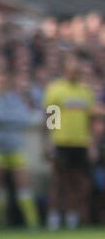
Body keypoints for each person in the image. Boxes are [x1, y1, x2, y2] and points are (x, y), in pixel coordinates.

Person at [43, 55, 102, 229]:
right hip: (61, 141)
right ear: (66, 70)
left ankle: (72, 216)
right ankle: (54, 216)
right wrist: (50, 139)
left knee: (78, 182)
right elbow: (51, 115)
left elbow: (91, 120)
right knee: (58, 180)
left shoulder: (85, 91)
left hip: (81, 142)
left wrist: (92, 144)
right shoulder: (56, 89)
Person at [0, 69, 39, 228]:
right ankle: (0, 221)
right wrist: (8, 120)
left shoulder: (16, 99)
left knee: (22, 183)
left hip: (16, 146)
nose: (1, 85)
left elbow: (24, 119)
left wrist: (4, 121)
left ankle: (32, 221)